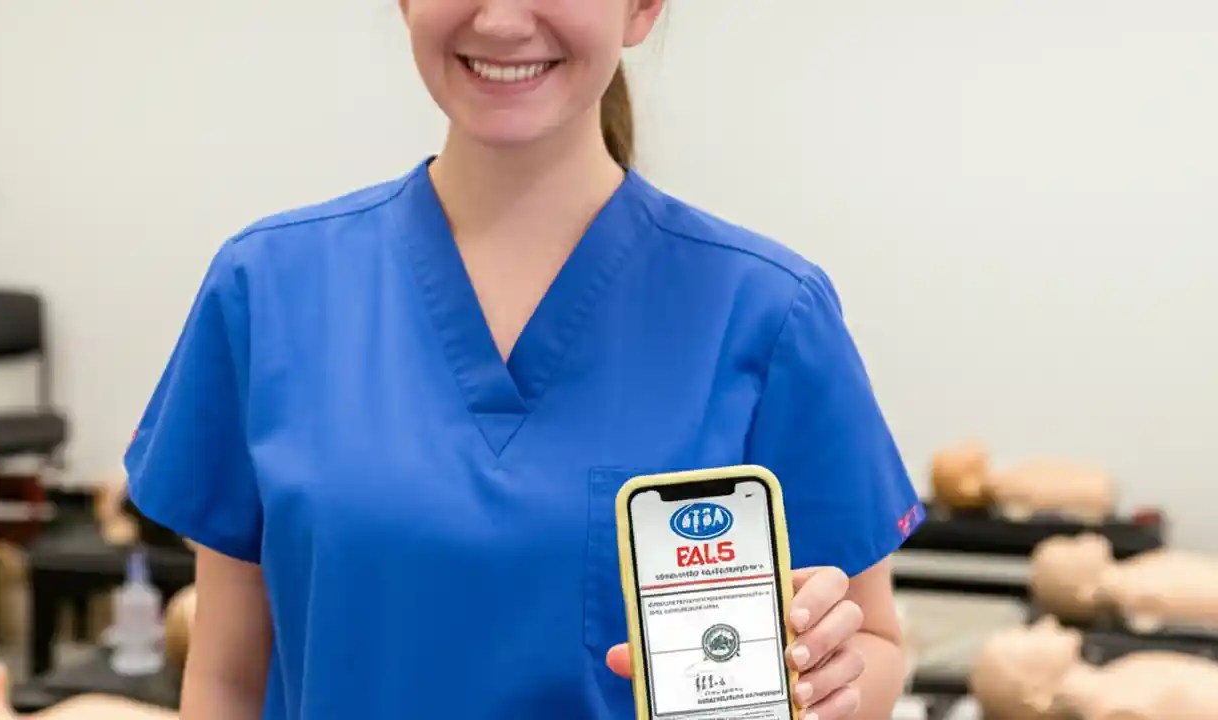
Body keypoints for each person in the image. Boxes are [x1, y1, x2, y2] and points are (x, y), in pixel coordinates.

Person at [124, 1, 924, 718]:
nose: (502, 20)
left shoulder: (765, 312)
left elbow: (877, 647)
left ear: (641, 8)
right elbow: (228, 676)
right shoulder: (268, 289)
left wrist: (821, 683)